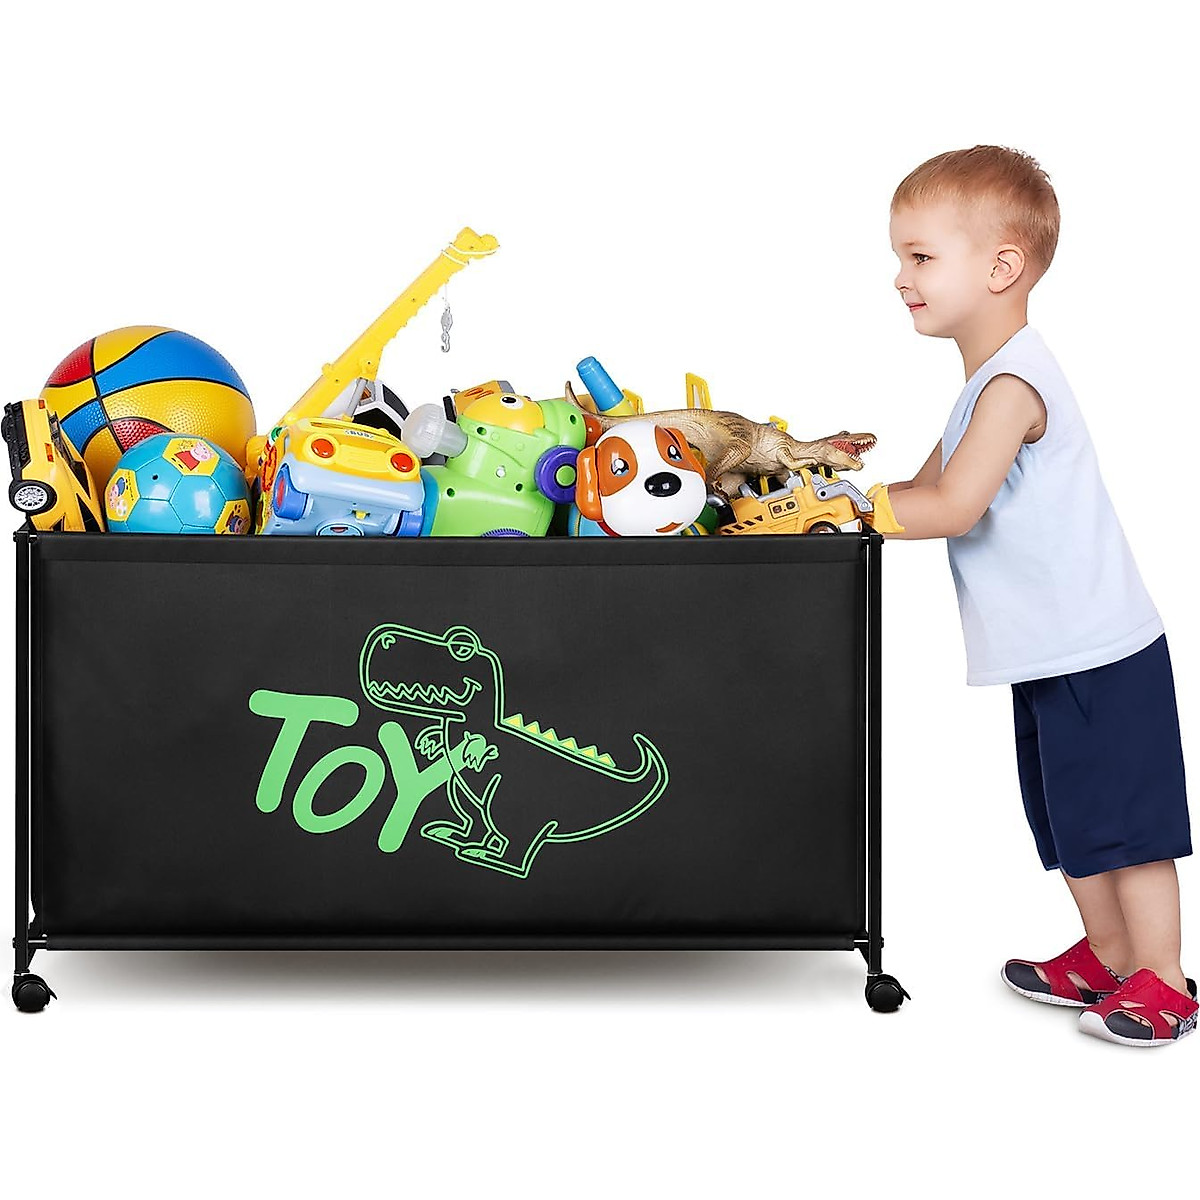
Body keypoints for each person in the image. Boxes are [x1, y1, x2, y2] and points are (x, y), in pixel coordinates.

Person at [865, 145, 1196, 1047]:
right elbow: (919, 489)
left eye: (921, 256)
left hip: (1101, 648)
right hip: (1048, 649)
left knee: (1126, 825)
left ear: (1001, 267)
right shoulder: (983, 385)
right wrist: (833, 496)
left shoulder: (1014, 384)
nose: (900, 278)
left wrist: (843, 510)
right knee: (1068, 816)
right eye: (900, 257)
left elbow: (952, 506)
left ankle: (1166, 982)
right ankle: (1110, 955)